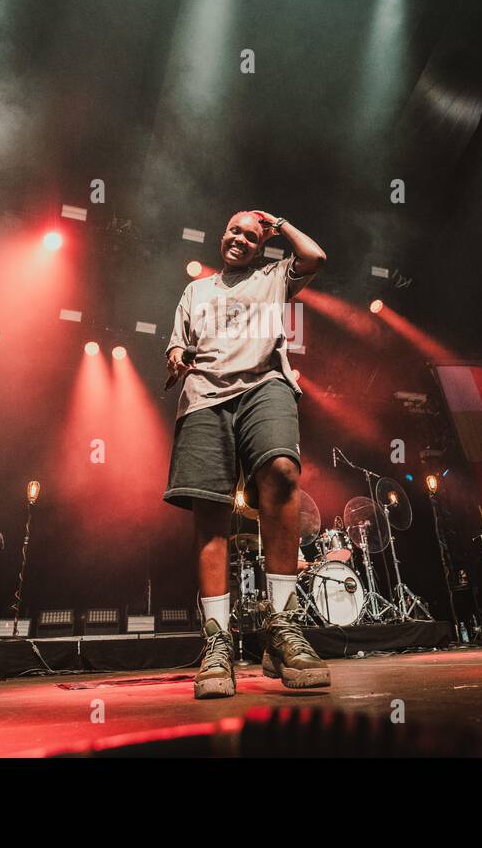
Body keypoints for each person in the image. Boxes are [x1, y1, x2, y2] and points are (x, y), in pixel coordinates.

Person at [163, 210, 329, 699]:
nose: (239, 238)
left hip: (264, 385)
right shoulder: (196, 291)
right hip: (204, 397)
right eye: (233, 231)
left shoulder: (273, 277)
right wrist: (177, 358)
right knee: (211, 511)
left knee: (281, 469)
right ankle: (217, 642)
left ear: (262, 246)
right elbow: (176, 345)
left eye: (251, 236)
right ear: (222, 236)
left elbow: (315, 256)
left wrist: (278, 222)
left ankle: (283, 627)